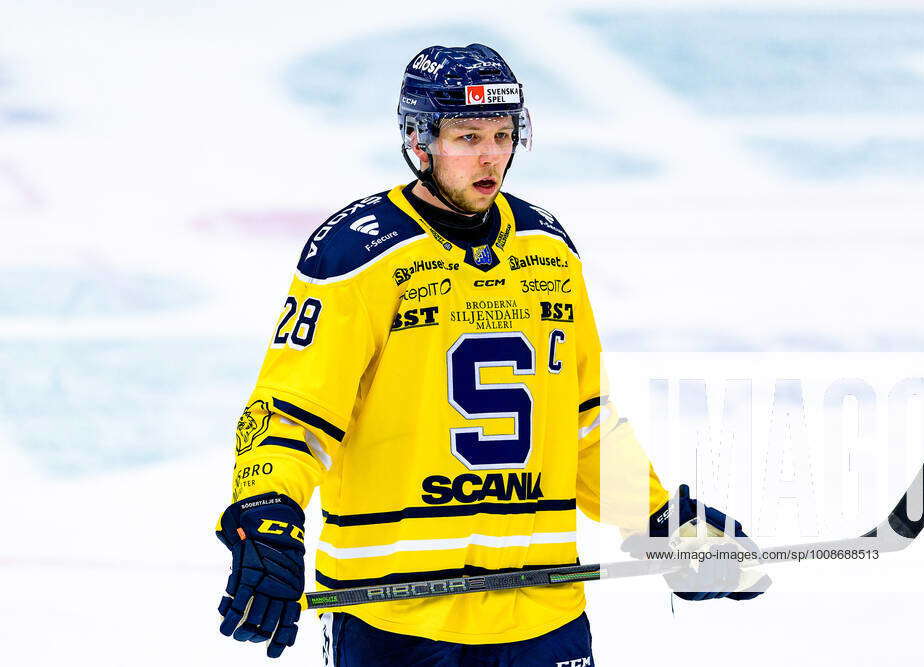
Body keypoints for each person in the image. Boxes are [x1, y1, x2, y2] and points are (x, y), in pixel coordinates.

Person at [215, 43, 769, 665]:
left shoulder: (548, 251)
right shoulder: (357, 256)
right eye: (467, 136)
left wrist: (665, 523)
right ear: (419, 142)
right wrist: (267, 507)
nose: (491, 156)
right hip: (397, 616)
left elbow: (584, 425)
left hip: (542, 611)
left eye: (504, 135)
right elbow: (291, 413)